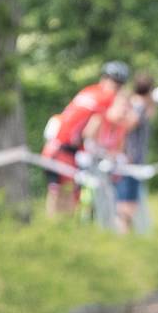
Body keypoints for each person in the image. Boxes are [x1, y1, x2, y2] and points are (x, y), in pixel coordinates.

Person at [42, 61, 130, 216]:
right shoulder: (106, 98)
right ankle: (59, 231)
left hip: (57, 146)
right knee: (64, 195)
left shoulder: (89, 90)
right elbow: (91, 130)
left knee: (60, 193)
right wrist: (97, 151)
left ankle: (56, 230)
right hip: (64, 151)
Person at [114, 73, 158, 233]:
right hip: (130, 159)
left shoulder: (139, 104)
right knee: (126, 201)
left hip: (133, 158)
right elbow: (128, 125)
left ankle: (125, 232)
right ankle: (122, 233)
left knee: (130, 201)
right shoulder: (138, 106)